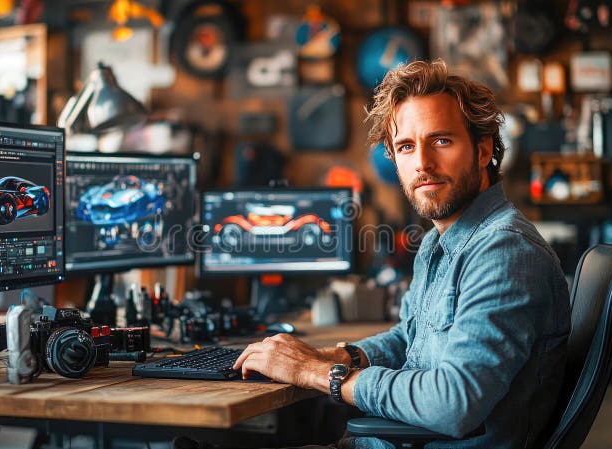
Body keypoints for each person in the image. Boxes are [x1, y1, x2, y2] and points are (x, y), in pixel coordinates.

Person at [233, 59, 571, 449]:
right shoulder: (438, 242)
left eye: (441, 140)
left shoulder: (504, 251)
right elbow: (411, 340)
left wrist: (317, 373)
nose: (423, 164)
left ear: (482, 151)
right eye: (406, 147)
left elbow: (452, 402)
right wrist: (336, 355)